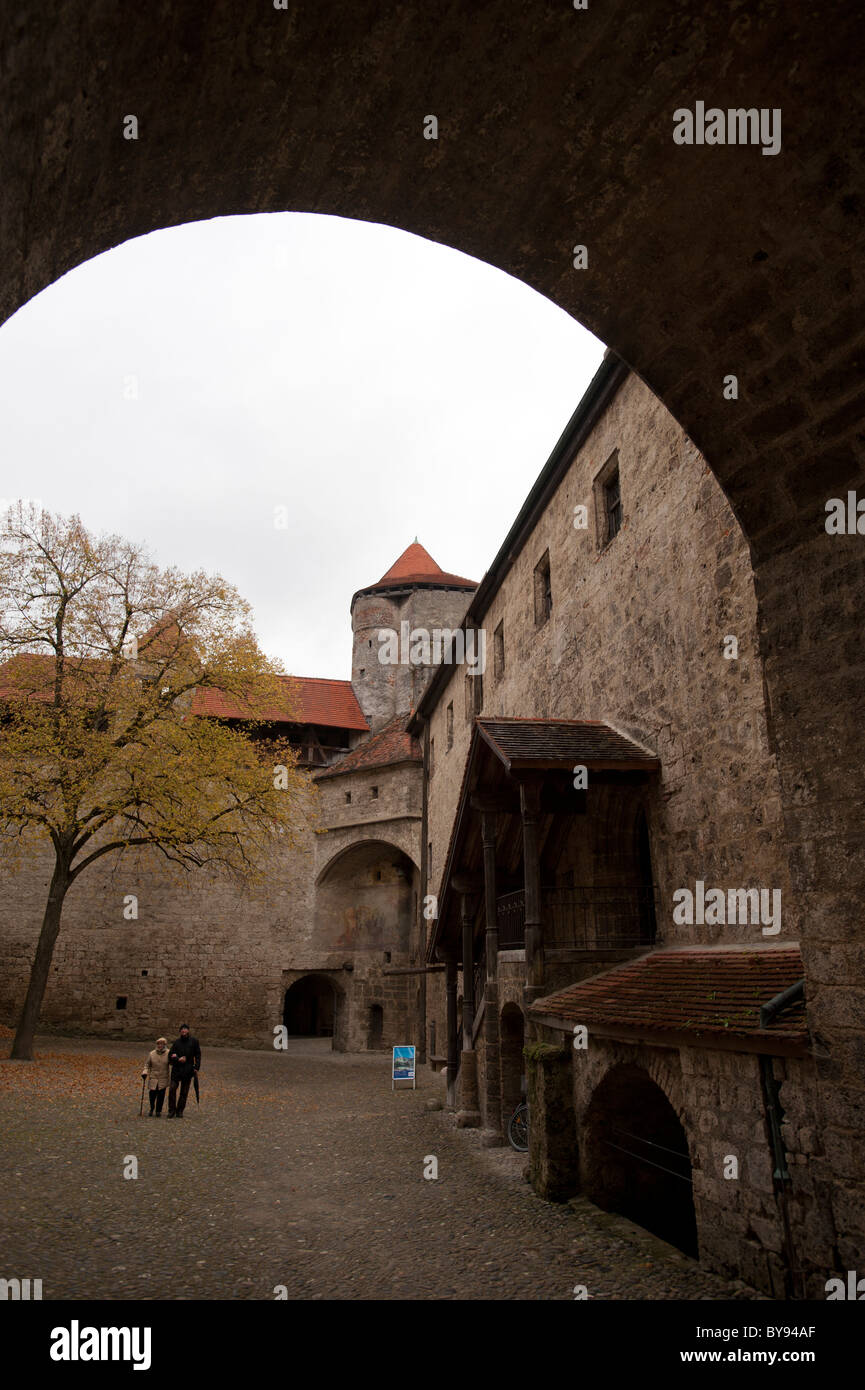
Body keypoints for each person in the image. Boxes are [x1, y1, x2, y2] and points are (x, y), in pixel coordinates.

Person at [167, 1023, 201, 1118]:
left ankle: (180, 1110)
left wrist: (196, 1067)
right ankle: (172, 1110)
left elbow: (198, 1055)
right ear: (180, 1031)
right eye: (182, 1029)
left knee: (184, 1092)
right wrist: (177, 1059)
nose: (183, 1031)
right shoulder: (176, 1042)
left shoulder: (194, 1041)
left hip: (188, 1070)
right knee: (172, 1089)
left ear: (188, 1031)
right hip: (177, 1069)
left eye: (185, 1029)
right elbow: (170, 1055)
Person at [141, 1036, 170, 1116]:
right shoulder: (152, 1054)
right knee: (152, 1095)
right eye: (158, 1044)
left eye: (162, 1044)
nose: (160, 1045)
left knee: (161, 1095)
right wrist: (145, 1072)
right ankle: (152, 1108)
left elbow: (171, 1063)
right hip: (153, 1077)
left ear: (164, 1044)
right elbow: (147, 1065)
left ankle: (158, 1111)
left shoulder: (168, 1053)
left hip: (163, 1077)